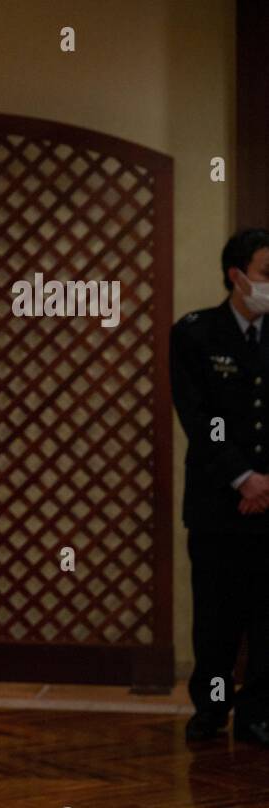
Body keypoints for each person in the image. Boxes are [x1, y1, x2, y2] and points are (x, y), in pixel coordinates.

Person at [170, 227, 269, 747]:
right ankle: (210, 710)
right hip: (217, 504)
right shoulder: (194, 333)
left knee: (267, 620)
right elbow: (197, 416)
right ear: (237, 275)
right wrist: (244, 478)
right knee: (215, 618)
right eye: (265, 274)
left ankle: (257, 714)